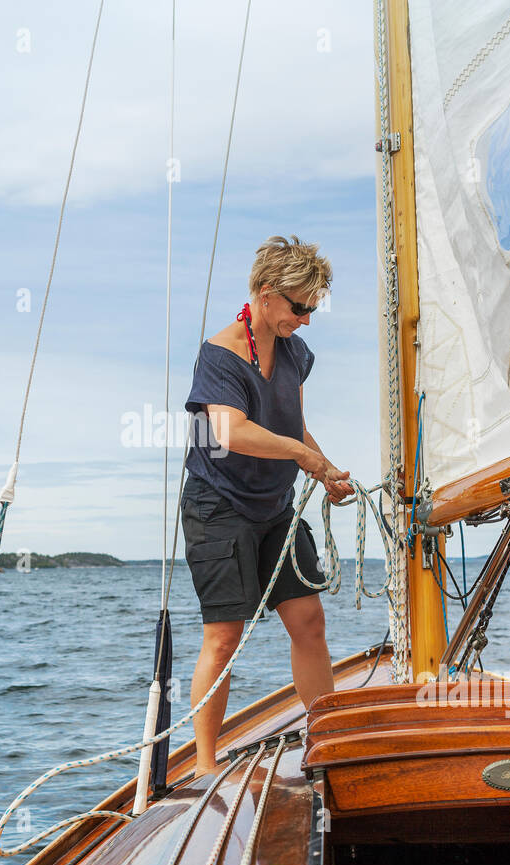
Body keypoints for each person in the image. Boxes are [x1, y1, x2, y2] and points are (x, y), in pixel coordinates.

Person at [181, 234, 354, 778]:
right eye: (299, 307)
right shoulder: (221, 354)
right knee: (225, 634)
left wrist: (323, 470)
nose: (305, 319)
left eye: (312, 308)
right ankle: (205, 765)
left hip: (274, 506)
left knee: (309, 619)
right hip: (219, 506)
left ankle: (327, 738)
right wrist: (305, 455)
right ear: (263, 292)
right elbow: (230, 430)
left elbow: (291, 426)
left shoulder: (296, 353)